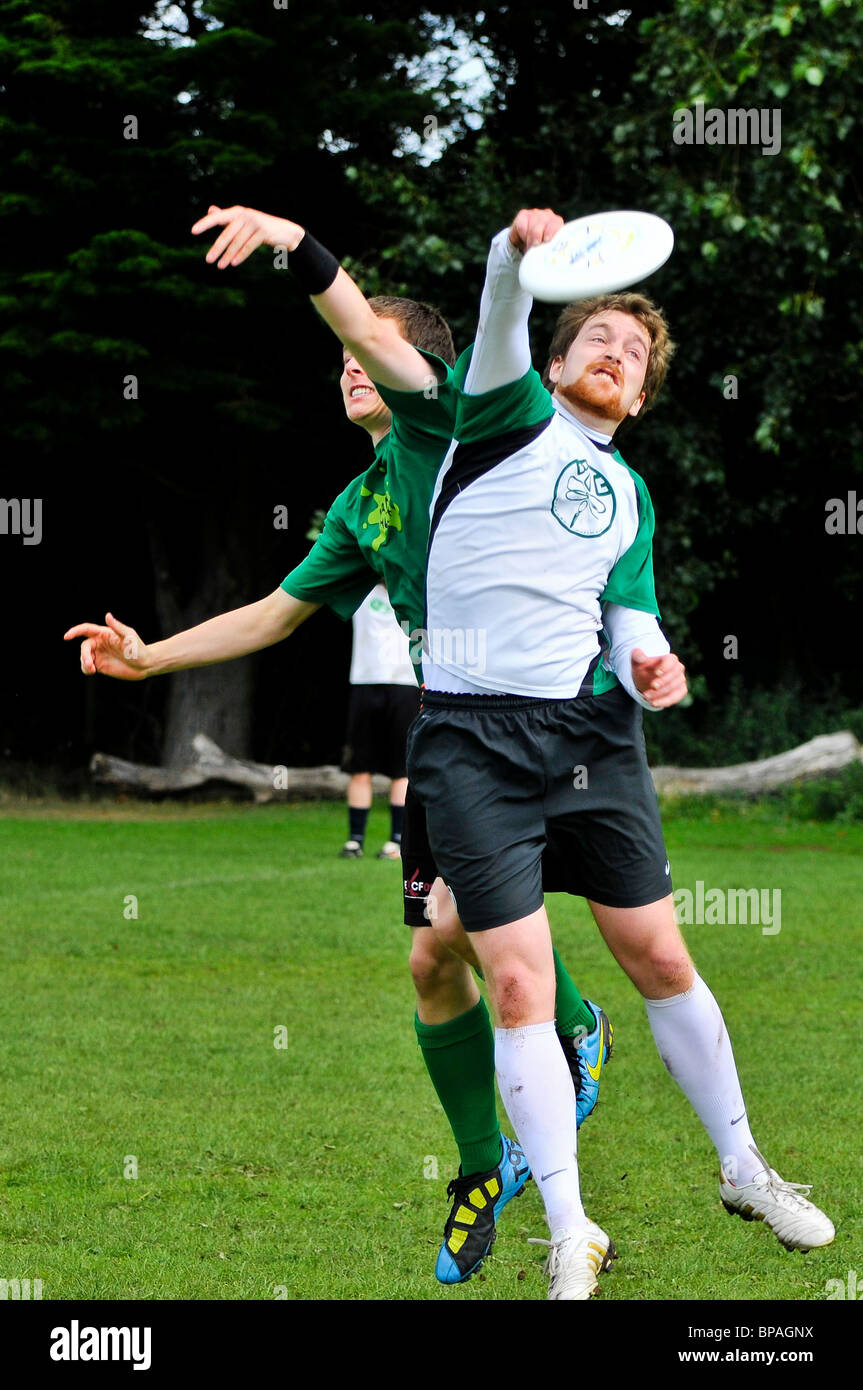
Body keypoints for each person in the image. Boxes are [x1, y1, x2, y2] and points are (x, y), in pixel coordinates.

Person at [63, 204, 611, 1288]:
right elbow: (275, 611)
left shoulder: (443, 423)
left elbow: (363, 329)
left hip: (540, 718)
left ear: (418, 367)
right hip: (446, 730)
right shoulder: (361, 503)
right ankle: (482, 1159)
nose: (351, 369)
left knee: (475, 941)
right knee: (428, 955)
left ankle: (572, 1039)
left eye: (371, 354)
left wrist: (294, 241)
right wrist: (150, 655)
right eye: (347, 364)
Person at [398, 212, 835, 1299]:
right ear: (554, 362)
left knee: (657, 958)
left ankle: (741, 1166)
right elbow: (501, 312)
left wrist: (657, 664)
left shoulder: (628, 493)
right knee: (513, 984)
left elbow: (628, 618)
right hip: (470, 740)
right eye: (596, 335)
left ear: (638, 398)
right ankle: (568, 1229)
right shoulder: (500, 410)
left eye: (633, 354)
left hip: (588, 739)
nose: (614, 352)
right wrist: (511, 255)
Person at [339, 582, 418, 860]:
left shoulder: (412, 586)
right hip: (365, 681)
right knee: (359, 767)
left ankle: (396, 841)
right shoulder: (361, 590)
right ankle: (354, 841)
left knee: (402, 770)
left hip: (405, 683)